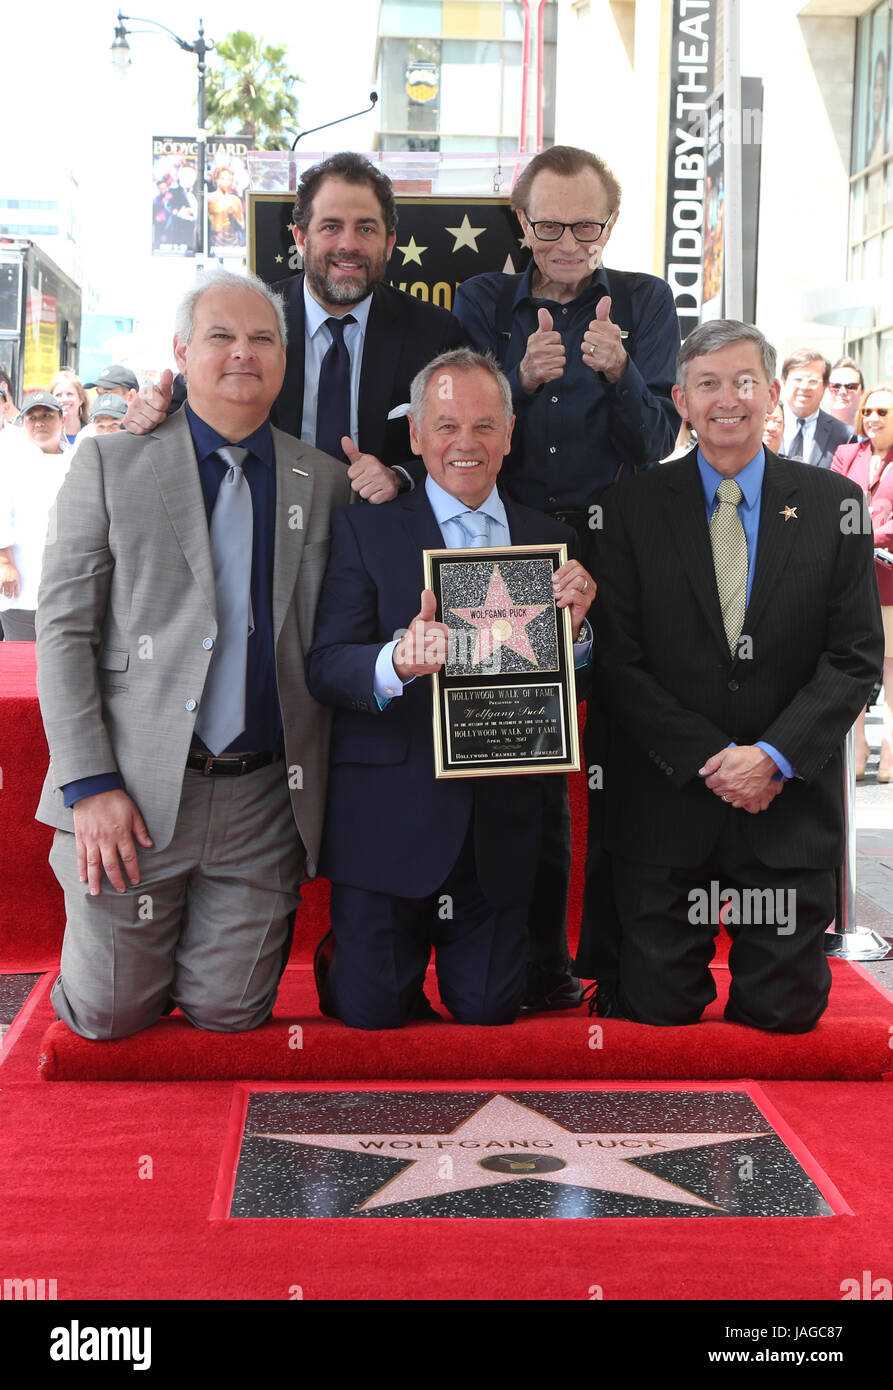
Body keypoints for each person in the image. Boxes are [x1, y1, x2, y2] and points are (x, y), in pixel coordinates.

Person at [35, 269, 350, 1040]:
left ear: (283, 359)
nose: (242, 353)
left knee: (229, 1014)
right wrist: (90, 786)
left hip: (262, 799)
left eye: (261, 339)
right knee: (109, 1017)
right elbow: (64, 631)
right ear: (181, 351)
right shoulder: (111, 463)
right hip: (132, 792)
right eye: (221, 337)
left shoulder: (329, 482)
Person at [593, 320, 883, 1033]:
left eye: (745, 381)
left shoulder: (832, 507)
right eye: (709, 384)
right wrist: (708, 760)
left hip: (783, 807)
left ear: (772, 394)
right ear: (681, 400)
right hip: (666, 807)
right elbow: (617, 661)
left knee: (783, 1016)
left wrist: (771, 758)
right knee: (655, 1008)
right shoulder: (627, 511)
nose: (728, 399)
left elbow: (853, 658)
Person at [305, 348, 595, 1031]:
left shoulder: (550, 540)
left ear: (510, 431)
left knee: (489, 1012)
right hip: (386, 824)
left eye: (483, 426)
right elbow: (324, 666)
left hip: (496, 834)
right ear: (414, 436)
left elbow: (578, 688)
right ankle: (348, 954)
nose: (465, 444)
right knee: (367, 1013)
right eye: (445, 426)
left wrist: (578, 637)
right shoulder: (361, 529)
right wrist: (394, 663)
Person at [454, 144, 681, 1010]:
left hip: (614, 554)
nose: (565, 241)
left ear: (608, 226)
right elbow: (461, 433)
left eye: (584, 226)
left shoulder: (645, 301)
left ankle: (617, 967)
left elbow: (656, 440)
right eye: (548, 224)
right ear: (521, 223)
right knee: (522, 769)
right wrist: (517, 380)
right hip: (505, 556)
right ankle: (531, 965)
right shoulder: (482, 300)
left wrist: (619, 374)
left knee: (625, 759)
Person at [125, 152, 467, 506]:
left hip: (378, 532)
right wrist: (152, 414)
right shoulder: (252, 317)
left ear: (389, 243)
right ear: (301, 238)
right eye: (331, 227)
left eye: (366, 228)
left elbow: (468, 447)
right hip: (264, 525)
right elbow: (190, 406)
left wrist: (400, 475)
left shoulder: (433, 334)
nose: (348, 244)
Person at [831, 383, 893, 781]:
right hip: (854, 580)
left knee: (891, 672)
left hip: (892, 586)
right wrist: (877, 531)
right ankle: (858, 744)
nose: (873, 418)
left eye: (883, 412)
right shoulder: (846, 453)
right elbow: (835, 507)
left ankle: (890, 747)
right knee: (855, 667)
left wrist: (872, 532)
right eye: (868, 411)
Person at [0, 392, 69, 641]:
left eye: (47, 415)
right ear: (22, 424)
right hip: (22, 583)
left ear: (62, 419)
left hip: (66, 585)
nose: (39, 422)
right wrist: (5, 562)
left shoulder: (77, 459)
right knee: (21, 659)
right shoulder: (10, 460)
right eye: (32, 417)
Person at [780, 350, 852, 467]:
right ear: (784, 382)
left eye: (813, 381)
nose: (804, 387)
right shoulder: (763, 426)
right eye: (798, 379)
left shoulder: (844, 434)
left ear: (824, 386)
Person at [207, 166, 245, 251]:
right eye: (223, 179)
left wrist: (233, 216)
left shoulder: (235, 200)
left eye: (229, 179)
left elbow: (243, 226)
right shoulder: (208, 199)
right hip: (213, 245)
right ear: (217, 180)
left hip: (233, 245)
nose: (227, 182)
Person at [825, 356, 864, 433]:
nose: (842, 392)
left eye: (850, 387)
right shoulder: (813, 430)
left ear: (862, 393)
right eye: (835, 386)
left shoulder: (871, 432)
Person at [50, 370, 89, 446]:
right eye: (58, 395)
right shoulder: (46, 436)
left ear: (81, 399)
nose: (64, 399)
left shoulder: (91, 433)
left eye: (70, 394)